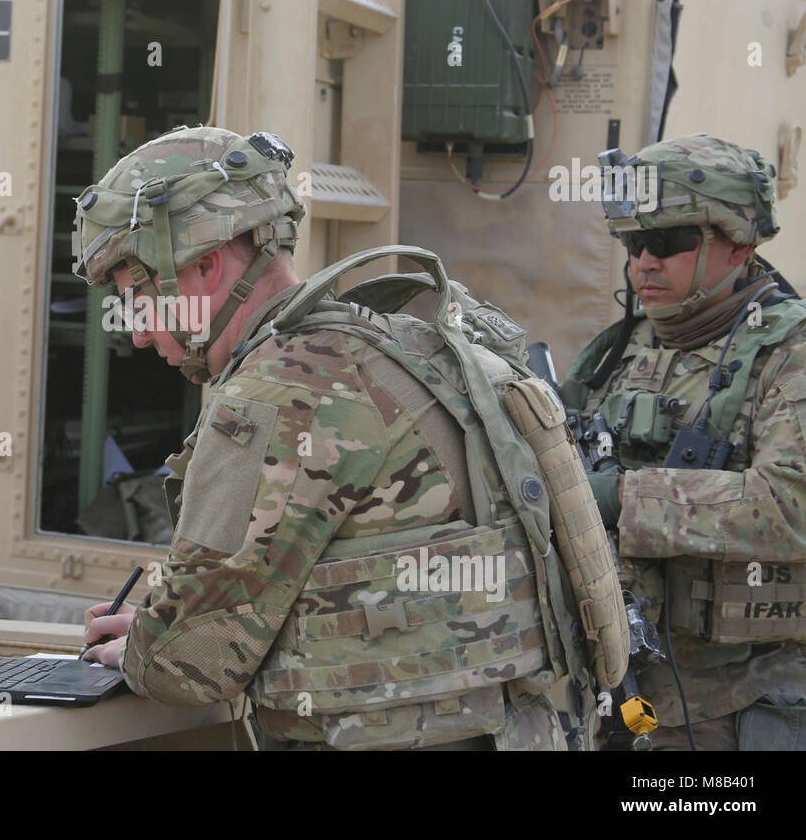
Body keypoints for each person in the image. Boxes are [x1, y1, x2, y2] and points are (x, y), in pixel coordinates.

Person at [72, 124, 621, 750]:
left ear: (203, 263)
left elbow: (191, 664)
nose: (139, 333)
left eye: (138, 298)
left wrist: (144, 647)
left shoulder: (279, 395)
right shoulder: (403, 344)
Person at [560, 133, 806, 750]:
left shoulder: (788, 356)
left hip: (738, 699)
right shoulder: (617, 349)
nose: (645, 261)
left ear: (738, 244)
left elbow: (790, 505)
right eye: (635, 243)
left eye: (668, 242)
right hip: (621, 696)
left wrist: (621, 496)